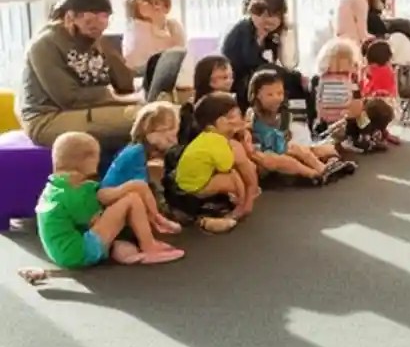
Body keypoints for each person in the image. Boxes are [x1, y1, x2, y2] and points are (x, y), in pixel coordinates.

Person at [23, 132, 183, 282]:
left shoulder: (57, 187)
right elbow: (94, 218)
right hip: (79, 252)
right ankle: (149, 246)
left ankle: (132, 249)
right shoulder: (74, 192)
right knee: (131, 200)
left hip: (63, 252)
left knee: (122, 238)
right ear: (86, 161)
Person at [22, 0, 138, 152]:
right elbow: (69, 97)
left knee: (157, 113)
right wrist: (115, 97)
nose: (98, 24)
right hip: (47, 118)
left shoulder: (93, 41)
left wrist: (109, 52)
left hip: (86, 110)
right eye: (89, 18)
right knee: (143, 118)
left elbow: (125, 85)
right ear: (70, 17)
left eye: (104, 17)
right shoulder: (45, 44)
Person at [246, 69, 352, 185]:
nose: (276, 98)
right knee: (288, 158)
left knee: (301, 150)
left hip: (278, 148)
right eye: (270, 94)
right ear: (256, 95)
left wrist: (285, 137)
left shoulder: (284, 114)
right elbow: (254, 137)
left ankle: (324, 167)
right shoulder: (253, 114)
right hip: (263, 154)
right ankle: (315, 174)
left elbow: (283, 138)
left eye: (279, 93)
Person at [221, 0, 310, 120]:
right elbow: (254, 64)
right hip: (241, 83)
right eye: (262, 15)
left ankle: (300, 120)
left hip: (259, 80)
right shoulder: (243, 31)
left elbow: (286, 61)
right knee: (286, 78)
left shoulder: (271, 36)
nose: (267, 20)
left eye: (274, 16)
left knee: (298, 81)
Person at [100, 101, 185, 235]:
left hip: (116, 192)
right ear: (150, 132)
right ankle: (157, 218)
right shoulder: (136, 152)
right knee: (141, 187)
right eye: (167, 132)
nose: (173, 141)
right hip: (110, 195)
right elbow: (141, 187)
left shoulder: (139, 149)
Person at [172, 92, 253, 223]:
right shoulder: (217, 141)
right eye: (229, 118)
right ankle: (242, 206)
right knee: (234, 177)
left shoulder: (206, 136)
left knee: (237, 172)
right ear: (212, 126)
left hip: (184, 183)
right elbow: (226, 167)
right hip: (193, 189)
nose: (236, 120)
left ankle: (242, 198)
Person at [313, 38, 393, 152]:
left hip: (325, 123)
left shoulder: (320, 80)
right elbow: (357, 105)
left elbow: (317, 104)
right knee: (362, 115)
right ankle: (364, 138)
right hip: (346, 122)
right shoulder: (350, 82)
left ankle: (335, 143)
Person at [122, 0, 187, 72]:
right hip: (141, 72)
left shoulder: (173, 26)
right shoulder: (137, 27)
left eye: (157, 3)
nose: (156, 8)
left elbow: (180, 53)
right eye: (148, 3)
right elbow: (135, 60)